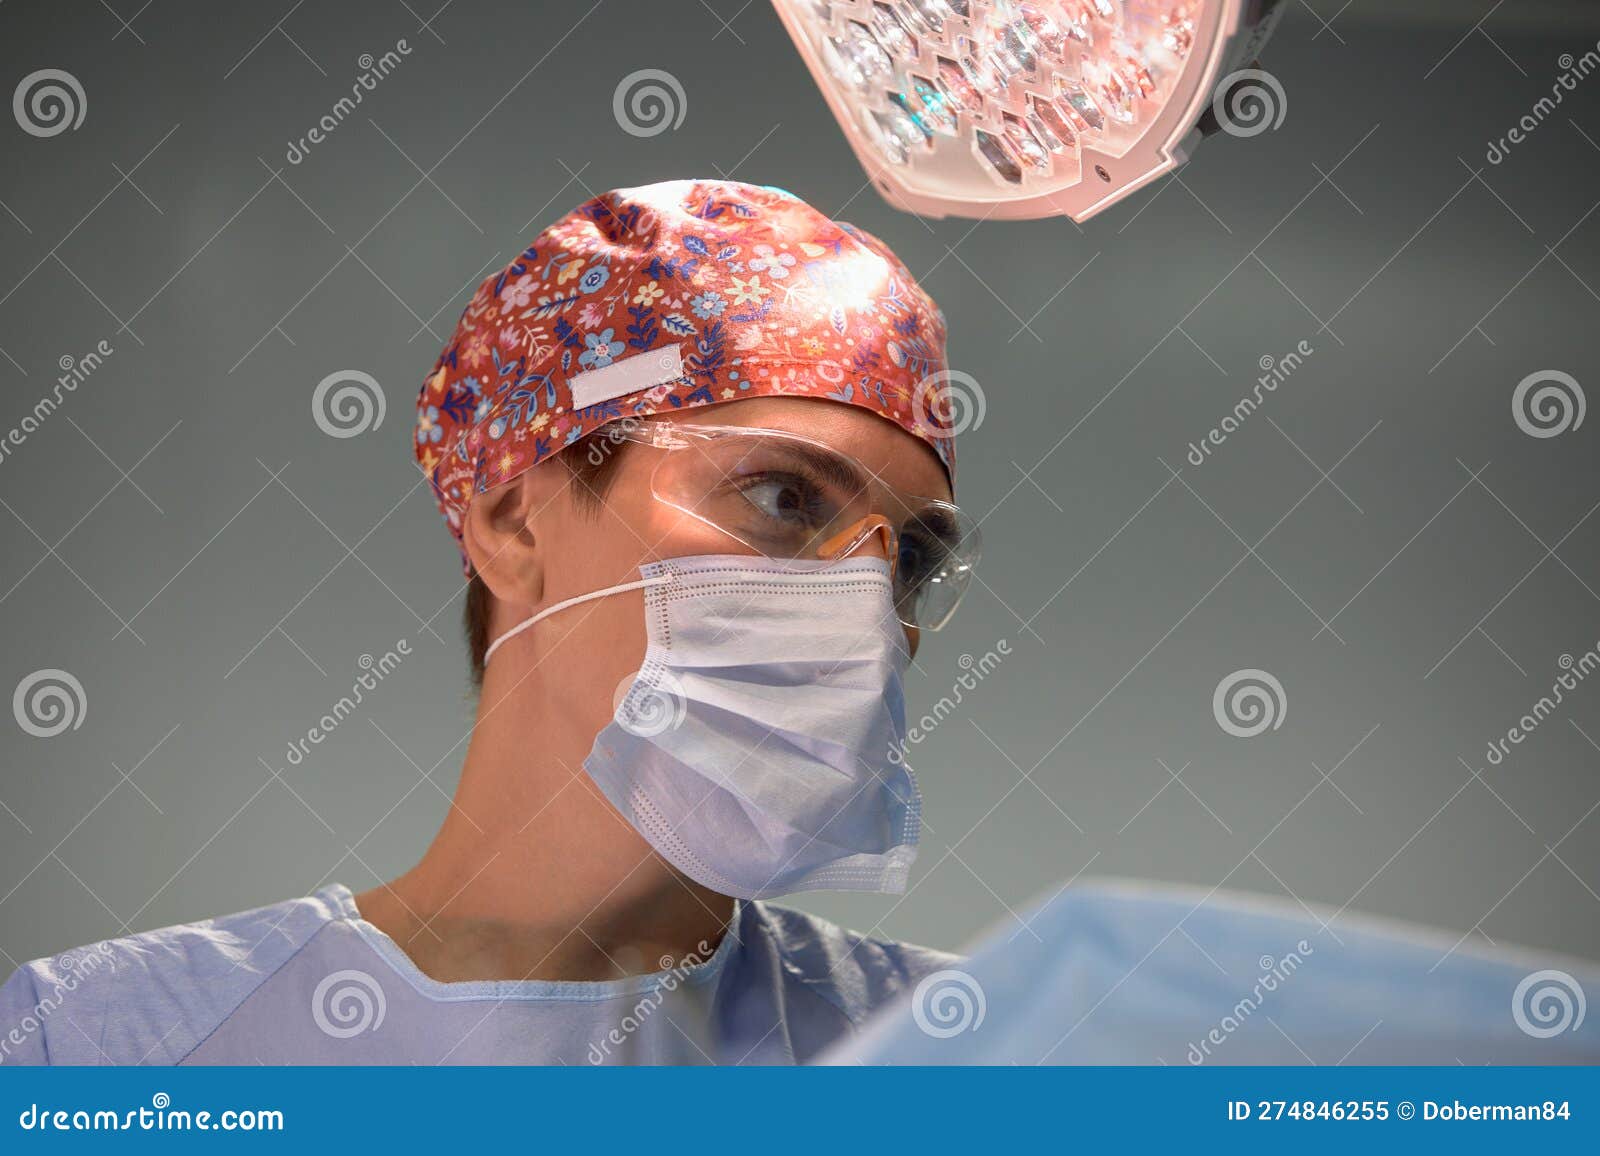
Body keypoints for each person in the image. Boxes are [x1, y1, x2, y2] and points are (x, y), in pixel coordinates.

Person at [0, 179, 982, 1065]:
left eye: (910, 562)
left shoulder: (967, 1055)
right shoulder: (104, 1047)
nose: (865, 613)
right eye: (782, 498)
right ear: (516, 519)